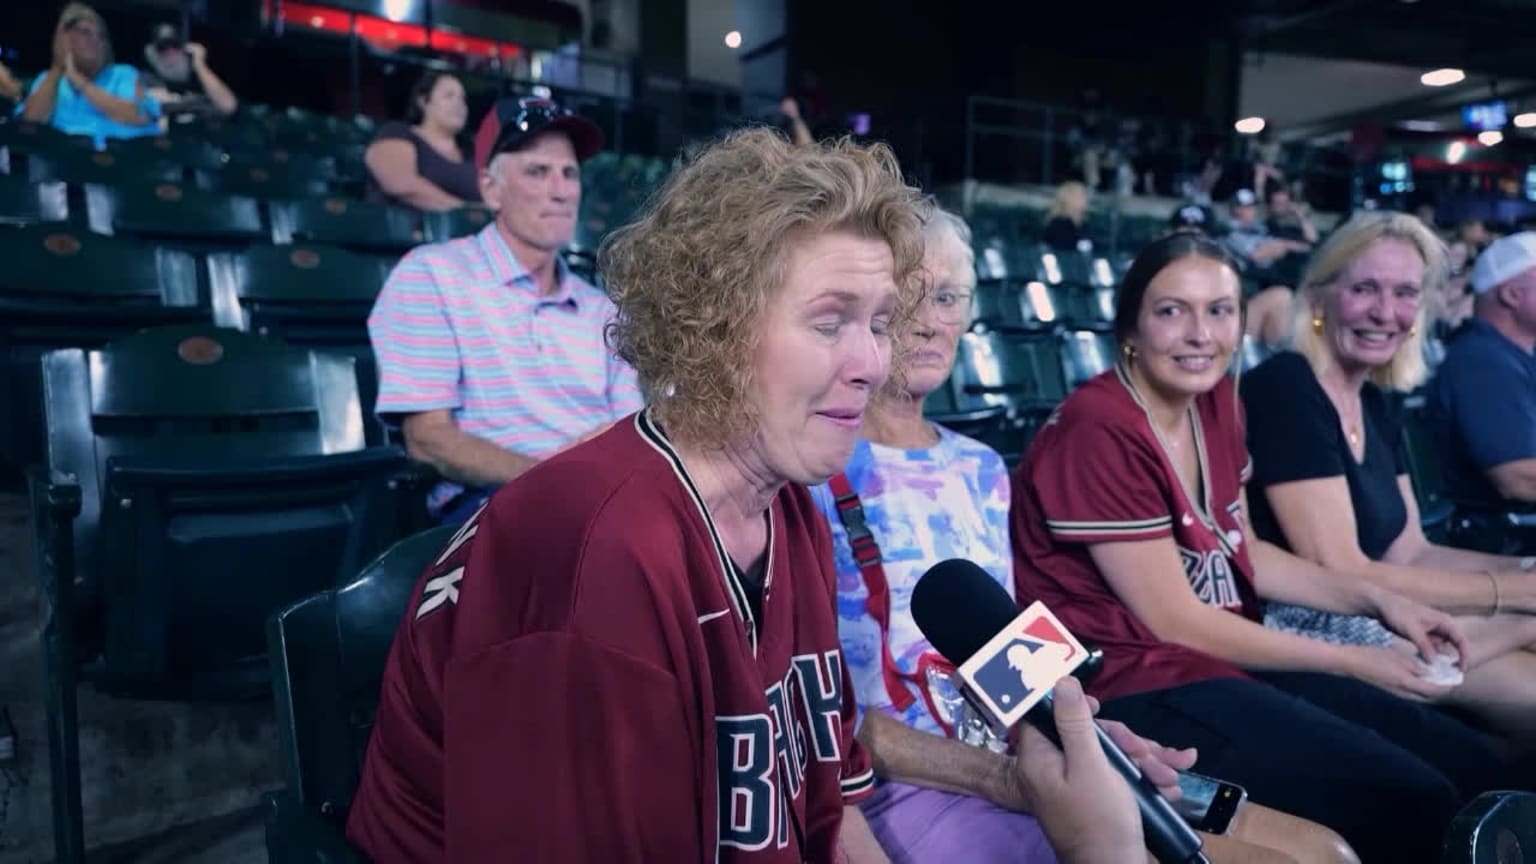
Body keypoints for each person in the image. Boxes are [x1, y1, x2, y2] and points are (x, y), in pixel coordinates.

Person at [347, 128, 1130, 864]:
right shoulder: (596, 560)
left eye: (882, 322)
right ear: (714, 332)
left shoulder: (797, 498)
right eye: (831, 323)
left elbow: (829, 809)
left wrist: (1042, 767)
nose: (872, 362)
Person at [811, 211, 1354, 863]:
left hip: (1027, 758)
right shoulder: (815, 467)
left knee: (1325, 849)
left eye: (950, 297)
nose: (931, 320)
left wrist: (1089, 733)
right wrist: (1013, 780)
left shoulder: (980, 466)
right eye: (912, 297)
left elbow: (1006, 651)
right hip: (915, 781)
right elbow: (821, 714)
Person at [1012, 231, 1513, 863]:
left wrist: (1380, 602)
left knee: (1472, 763)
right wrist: (1360, 661)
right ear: (1131, 329)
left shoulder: (1217, 398)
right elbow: (1176, 622)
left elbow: (1244, 549)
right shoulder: (1099, 427)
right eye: (1173, 311)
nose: (1200, 334)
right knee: (1411, 797)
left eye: (1219, 311)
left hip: (1220, 663)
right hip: (1128, 685)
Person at [1242, 214, 1536, 750]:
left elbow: (1411, 552)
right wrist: (1514, 594)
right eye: (1364, 290)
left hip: (1393, 617)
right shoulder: (1287, 387)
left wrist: (1520, 569)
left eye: (1405, 293)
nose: (1385, 312)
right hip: (1328, 629)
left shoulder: (1375, 398)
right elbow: (1342, 571)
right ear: (1319, 296)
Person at [368, 97, 638, 524]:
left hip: (607, 504)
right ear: (491, 189)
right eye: (538, 171)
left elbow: (630, 431)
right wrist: (555, 481)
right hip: (492, 507)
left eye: (569, 173)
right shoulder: (432, 276)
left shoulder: (600, 308)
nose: (562, 190)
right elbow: (429, 440)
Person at [1433, 232, 1536, 510]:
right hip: (1506, 540)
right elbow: (1515, 477)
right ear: (1512, 294)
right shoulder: (1483, 362)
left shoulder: (1507, 355)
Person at [18, 3, 160, 144]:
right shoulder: (48, 81)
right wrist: (58, 68)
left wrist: (79, 81)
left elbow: (138, 115)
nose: (95, 40)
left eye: (101, 35)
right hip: (67, 161)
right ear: (65, 39)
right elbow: (31, 124)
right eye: (85, 33)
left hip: (122, 160)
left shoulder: (124, 74)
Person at [364, 71, 480, 211]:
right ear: (424, 101)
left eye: (463, 99)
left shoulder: (473, 150)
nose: (460, 104)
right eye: (449, 96)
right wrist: (464, 211)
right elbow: (400, 184)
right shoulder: (397, 132)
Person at [1223, 189, 1300, 348]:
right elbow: (1255, 255)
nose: (1247, 211)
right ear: (1233, 208)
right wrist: (1277, 248)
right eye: (1242, 207)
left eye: (1250, 207)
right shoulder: (1228, 230)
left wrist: (1278, 247)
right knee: (1281, 296)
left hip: (1266, 284)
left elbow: (1303, 246)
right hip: (1243, 294)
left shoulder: (1260, 229)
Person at [140, 23, 238, 118]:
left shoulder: (205, 79)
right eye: (162, 47)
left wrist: (199, 65)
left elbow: (228, 105)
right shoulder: (146, 81)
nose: (170, 53)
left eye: (175, 44)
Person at [1041, 181, 1090, 253]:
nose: (1085, 198)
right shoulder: (1058, 225)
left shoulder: (1084, 224)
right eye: (1081, 195)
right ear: (1068, 199)